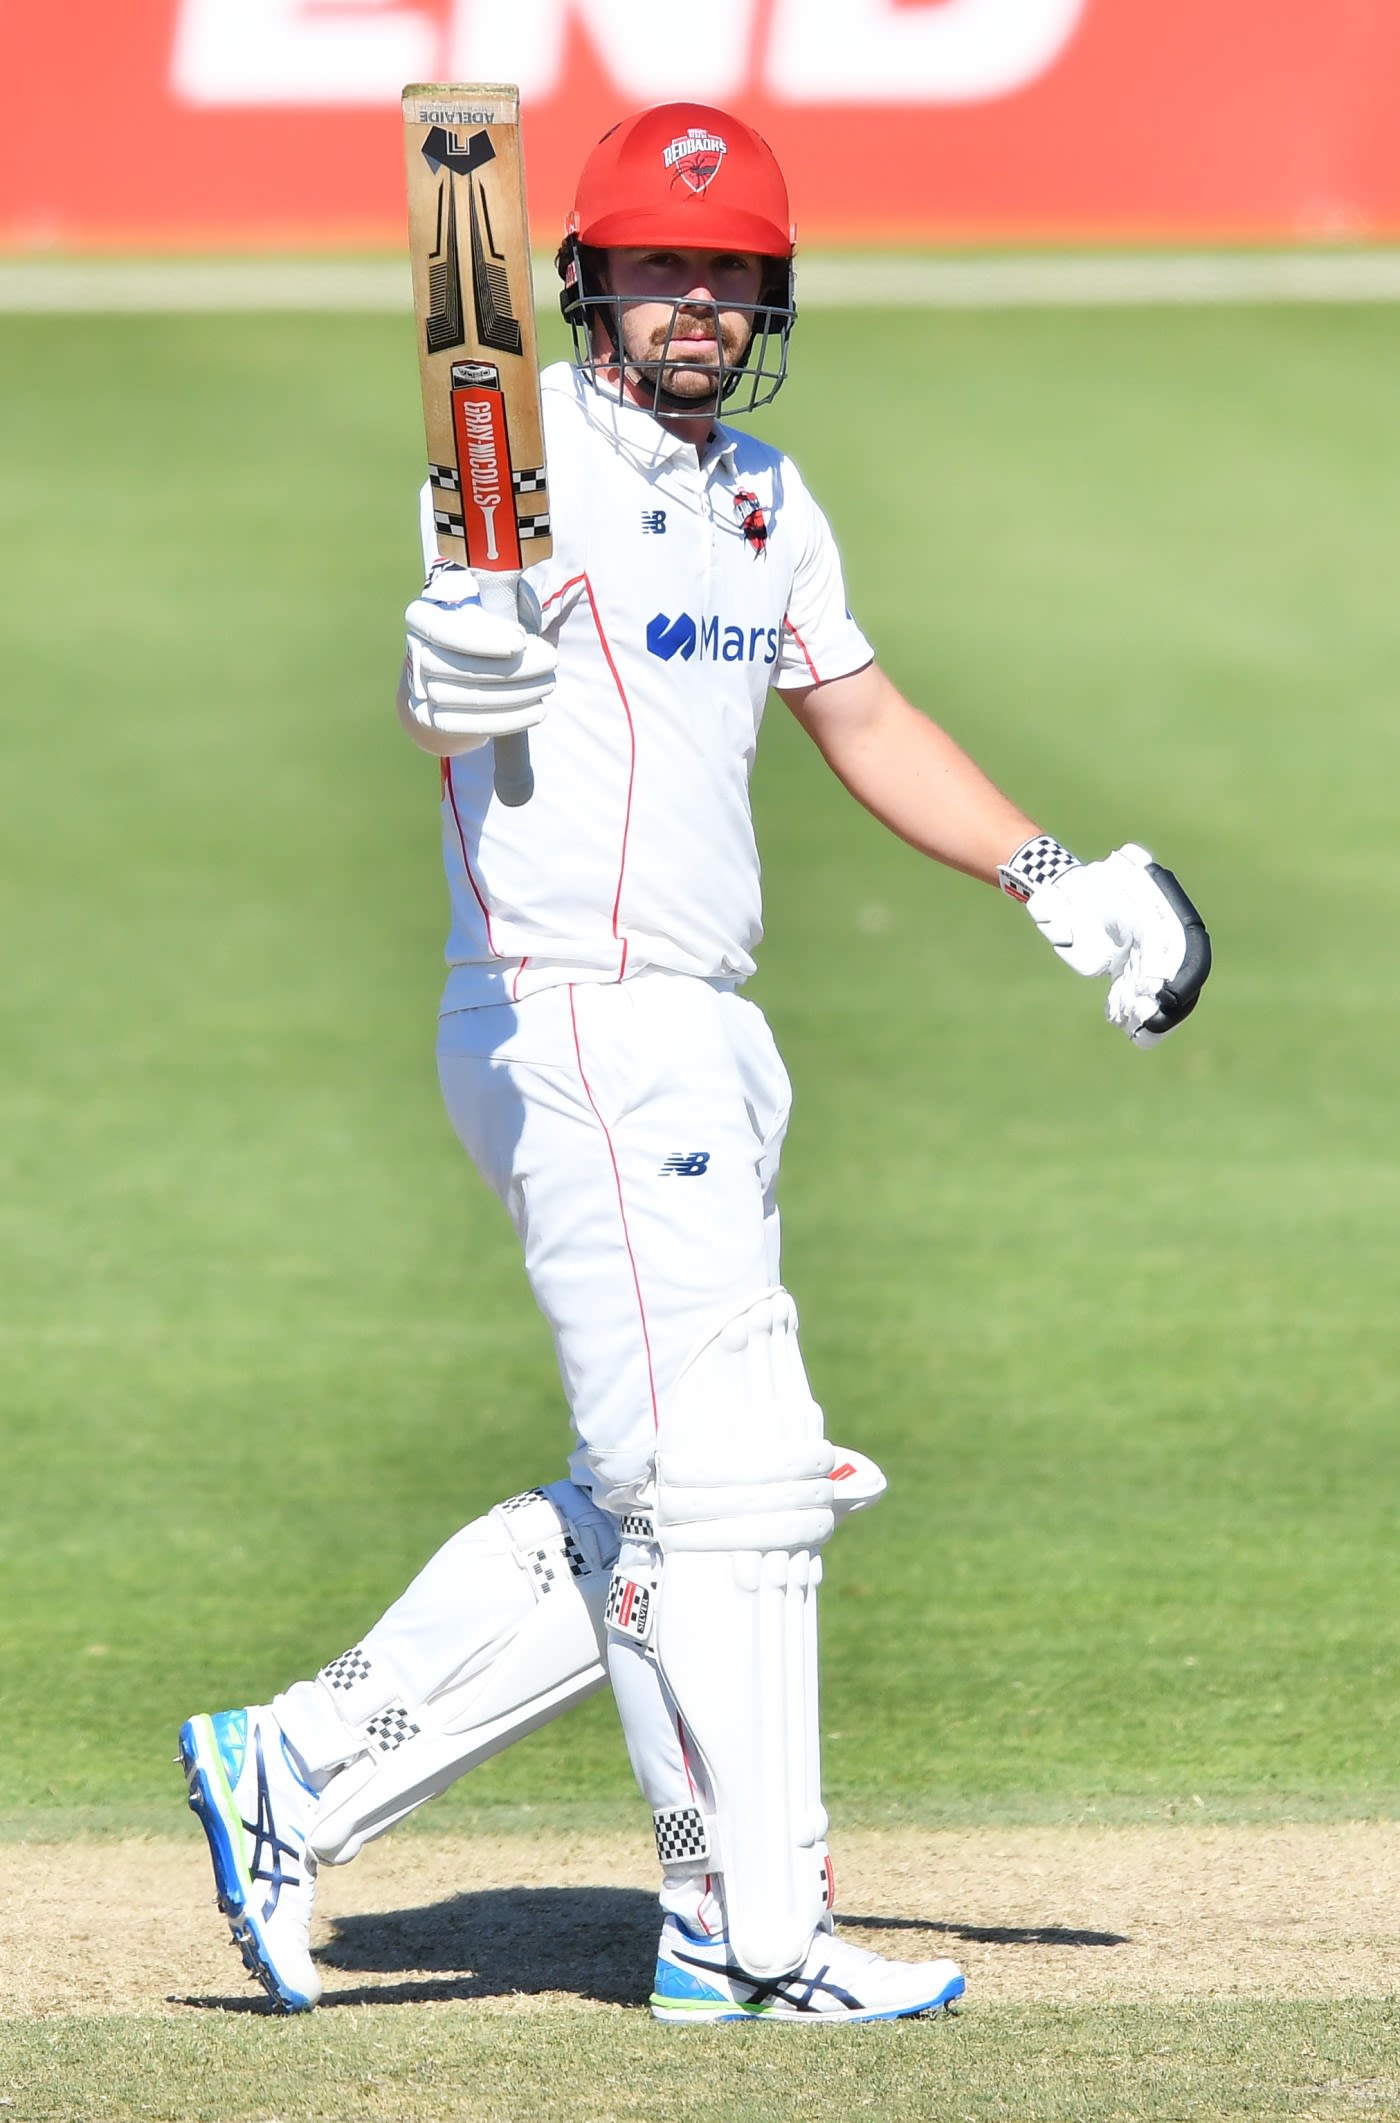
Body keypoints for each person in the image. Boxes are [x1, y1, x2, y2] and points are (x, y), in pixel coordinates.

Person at [178, 102, 1210, 2025]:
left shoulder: (766, 500)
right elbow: (449, 667)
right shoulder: (523, 465)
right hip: (570, 1006)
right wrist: (441, 682)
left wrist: (1057, 879)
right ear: (584, 286)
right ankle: (749, 1938)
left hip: (708, 1029)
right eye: (661, 270)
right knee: (726, 1494)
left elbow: (860, 709)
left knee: (699, 1489)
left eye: (730, 276)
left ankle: (305, 1766)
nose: (698, 307)